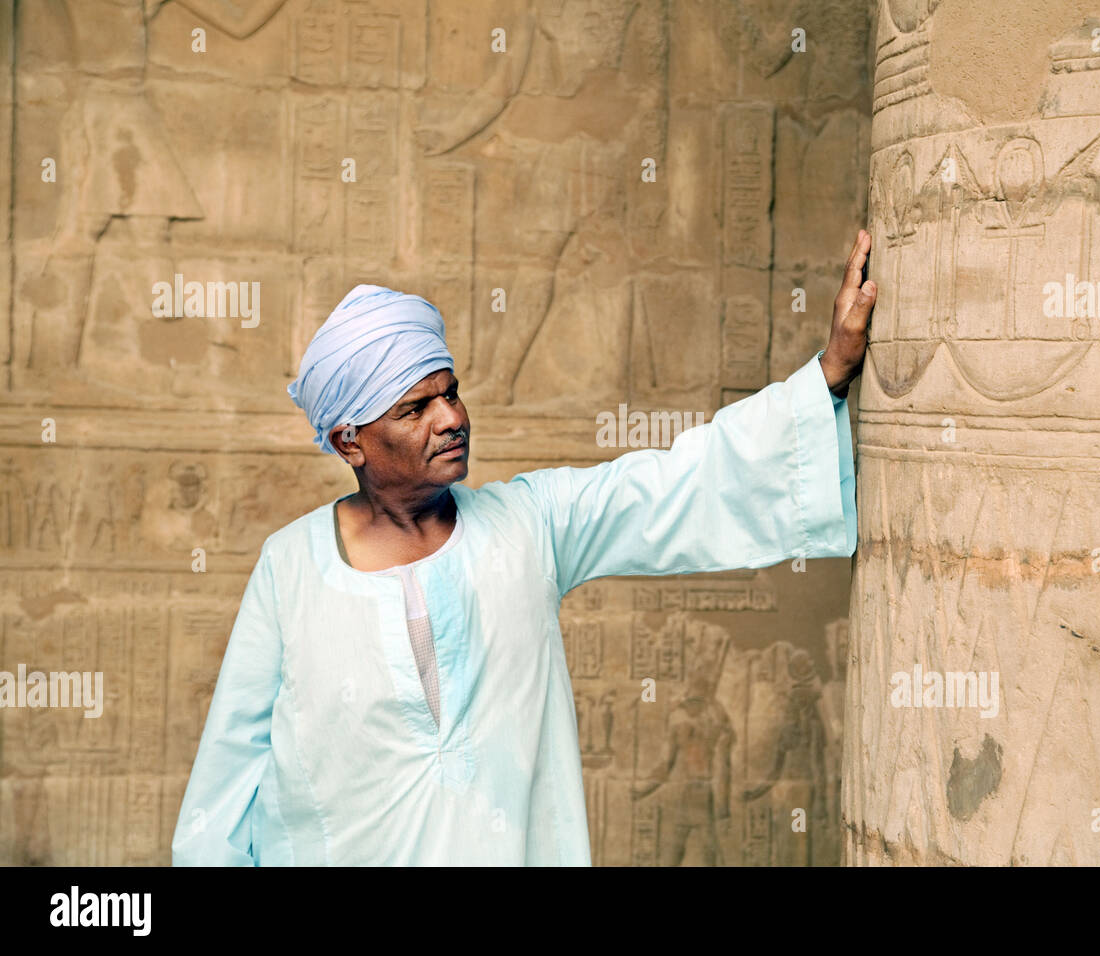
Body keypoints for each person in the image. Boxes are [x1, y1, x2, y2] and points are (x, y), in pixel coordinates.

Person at [171, 231, 878, 866]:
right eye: (415, 409)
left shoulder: (528, 526)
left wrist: (828, 374)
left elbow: (672, 485)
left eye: (451, 393)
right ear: (348, 440)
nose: (452, 419)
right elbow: (225, 785)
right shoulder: (291, 567)